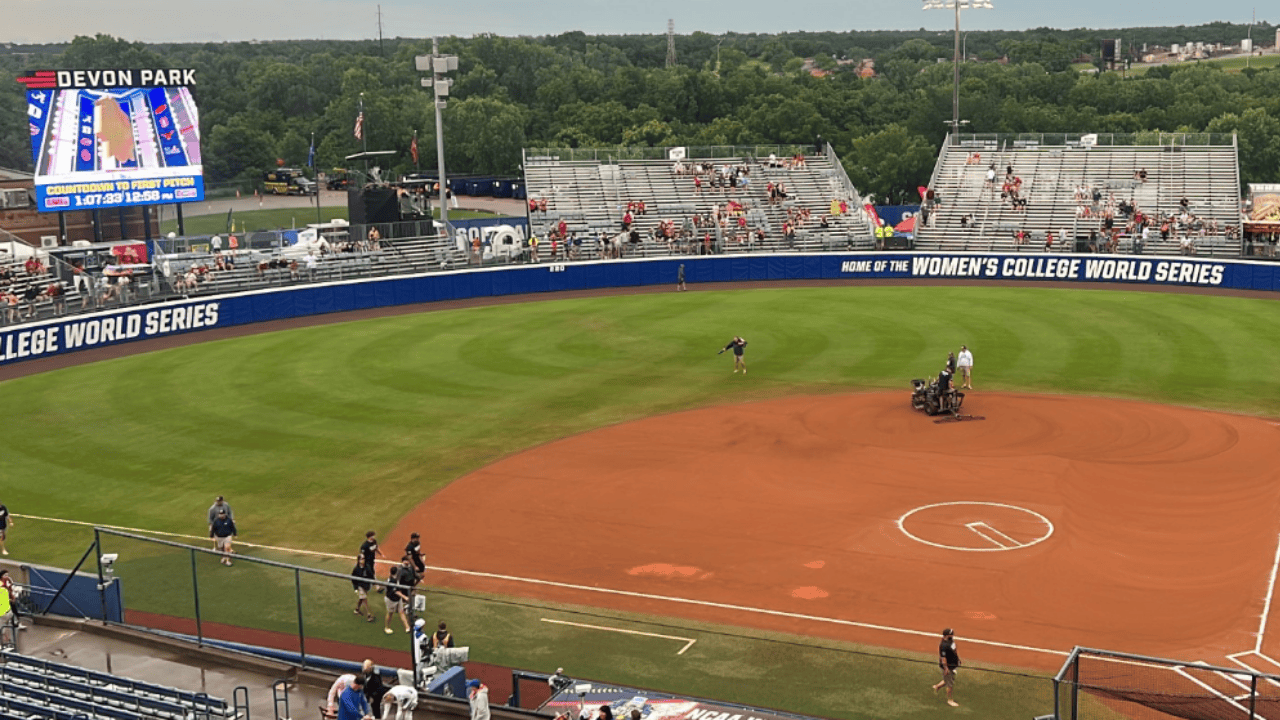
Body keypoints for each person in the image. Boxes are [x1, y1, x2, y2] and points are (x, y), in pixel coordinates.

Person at [932, 628, 961, 707]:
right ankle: (950, 700)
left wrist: (957, 659)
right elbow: (943, 658)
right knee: (950, 684)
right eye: (951, 634)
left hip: (953, 664)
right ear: (946, 635)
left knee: (948, 679)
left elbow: (954, 651)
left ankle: (937, 687)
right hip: (948, 666)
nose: (952, 635)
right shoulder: (943, 645)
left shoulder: (950, 640)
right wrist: (946, 668)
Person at [384, 564, 411, 635]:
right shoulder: (392, 581)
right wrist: (404, 597)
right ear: (396, 572)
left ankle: (407, 627)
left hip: (397, 599)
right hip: (391, 600)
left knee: (401, 612)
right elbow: (396, 591)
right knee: (390, 614)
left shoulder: (394, 578)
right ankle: (386, 627)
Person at [351, 554, 376, 621]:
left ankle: (357, 610)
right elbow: (353, 579)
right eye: (361, 559)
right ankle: (369, 614)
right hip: (360, 586)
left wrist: (374, 583)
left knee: (362, 598)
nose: (363, 560)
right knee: (365, 599)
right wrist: (355, 588)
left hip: (366, 586)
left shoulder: (367, 567)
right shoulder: (356, 569)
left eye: (363, 559)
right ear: (358, 560)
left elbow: (371, 575)